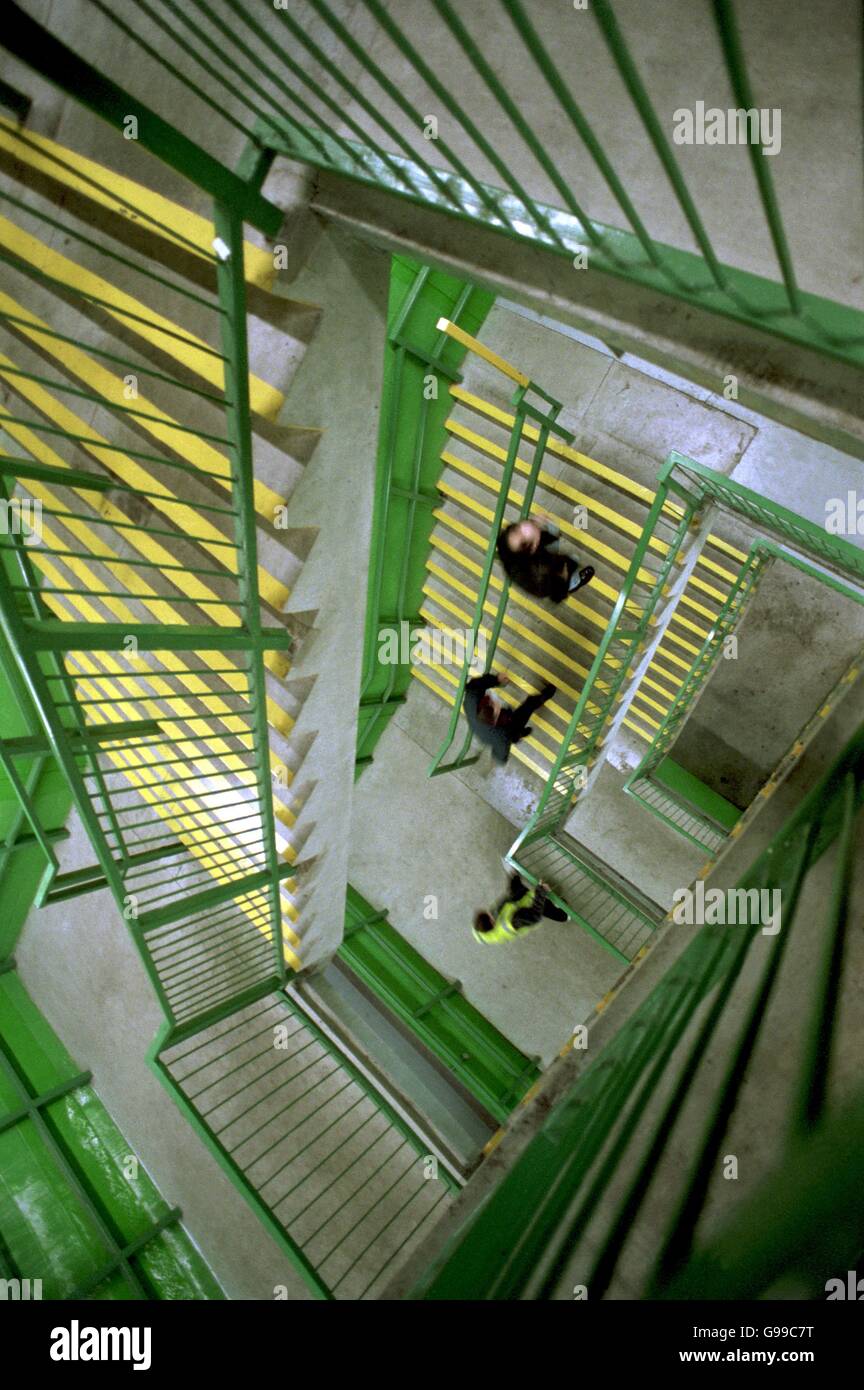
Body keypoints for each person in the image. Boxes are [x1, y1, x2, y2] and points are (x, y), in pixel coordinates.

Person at [497, 510, 594, 603]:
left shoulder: (511, 549)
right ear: (532, 548)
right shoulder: (540, 576)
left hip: (544, 558)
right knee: (569, 571)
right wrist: (564, 575)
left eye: (516, 529)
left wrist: (535, 523)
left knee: (554, 531)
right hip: (553, 579)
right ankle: (575, 583)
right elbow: (557, 587)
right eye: (524, 539)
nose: (525, 528)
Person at [463, 669, 555, 764]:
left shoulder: (471, 699)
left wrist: (496, 679)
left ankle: (519, 734)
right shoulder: (501, 737)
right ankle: (550, 692)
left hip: (502, 729)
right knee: (529, 705)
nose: (495, 702)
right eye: (495, 706)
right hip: (510, 727)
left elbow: (475, 685)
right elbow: (501, 759)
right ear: (496, 717)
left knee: (515, 732)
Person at [473, 873, 569, 944]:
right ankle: (564, 916)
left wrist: (514, 879)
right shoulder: (511, 923)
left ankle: (518, 881)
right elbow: (535, 915)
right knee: (544, 908)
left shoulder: (480, 930)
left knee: (517, 893)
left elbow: (506, 901)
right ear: (493, 923)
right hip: (528, 914)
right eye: (490, 915)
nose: (490, 912)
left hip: (517, 908)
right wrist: (541, 891)